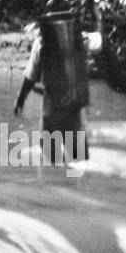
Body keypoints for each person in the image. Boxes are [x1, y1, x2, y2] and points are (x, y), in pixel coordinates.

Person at [14, 18, 89, 166]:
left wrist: (20, 100)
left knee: (49, 159)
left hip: (51, 106)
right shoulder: (79, 39)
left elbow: (30, 76)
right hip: (74, 105)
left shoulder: (41, 43)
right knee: (78, 160)